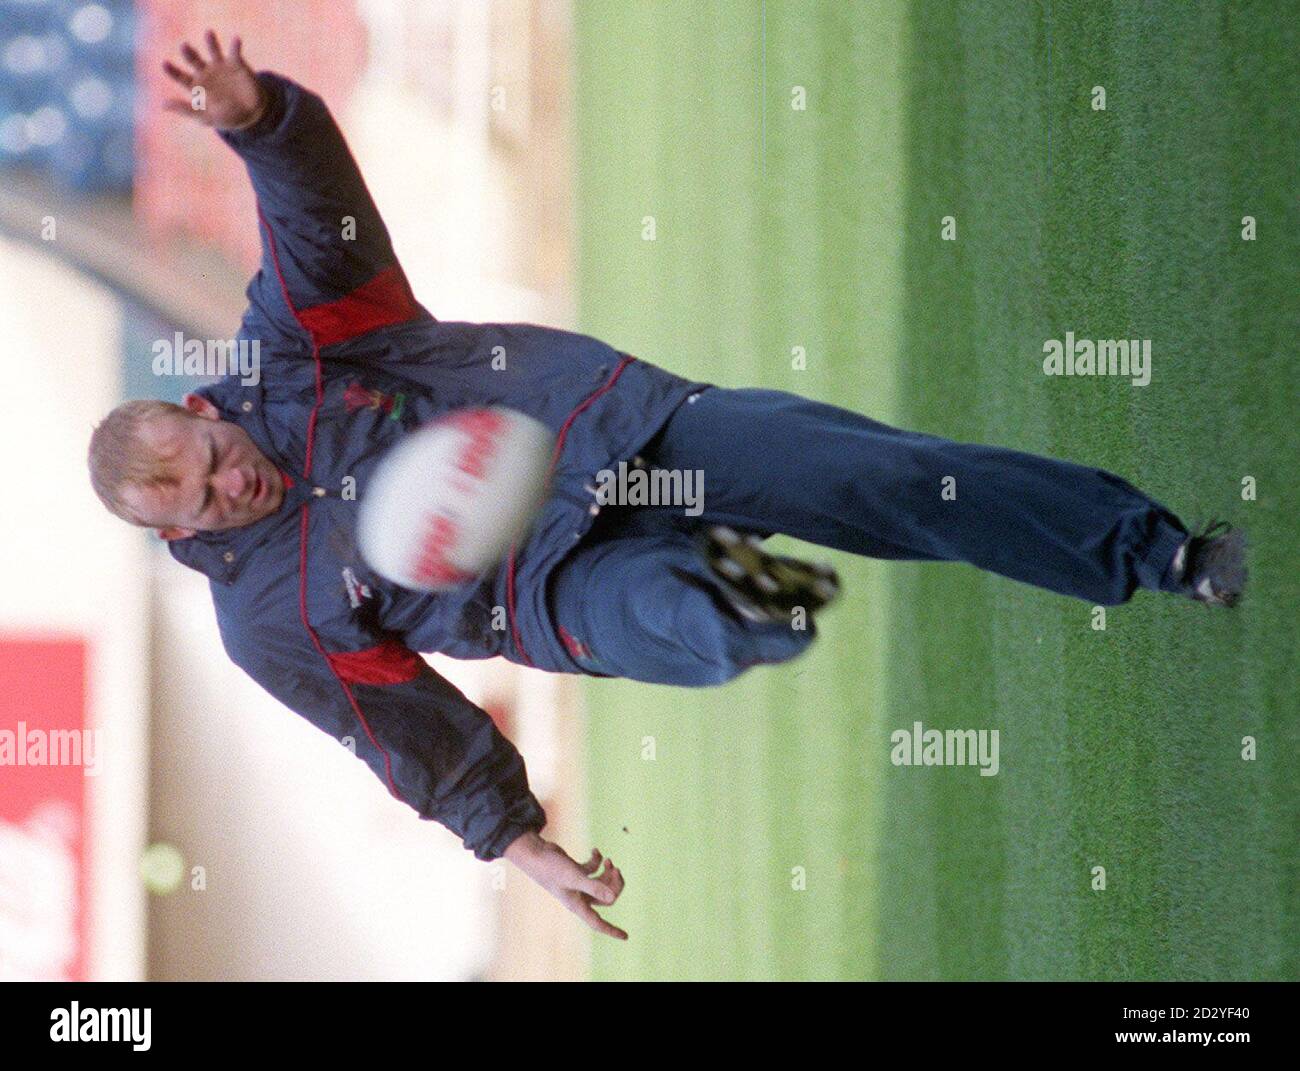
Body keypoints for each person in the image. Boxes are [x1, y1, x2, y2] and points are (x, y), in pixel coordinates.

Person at [87, 32, 1246, 941]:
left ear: (198, 412)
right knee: (685, 621)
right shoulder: (263, 620)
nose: (228, 484)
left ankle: (1159, 555)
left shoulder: (298, 351)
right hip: (560, 589)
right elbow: (396, 725)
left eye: (212, 459)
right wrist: (517, 840)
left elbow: (315, 223)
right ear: (177, 534)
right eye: (200, 501)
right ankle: (742, 593)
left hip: (610, 429)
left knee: (884, 478)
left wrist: (263, 123)